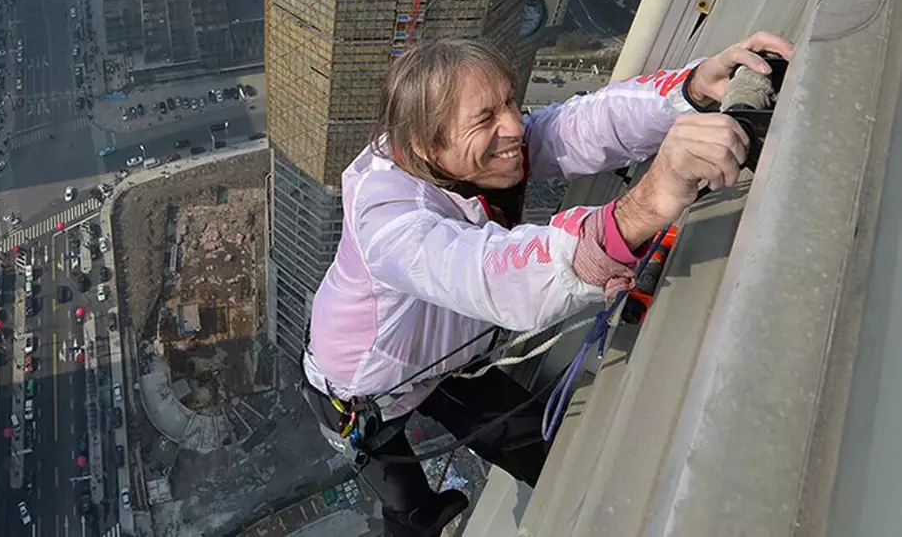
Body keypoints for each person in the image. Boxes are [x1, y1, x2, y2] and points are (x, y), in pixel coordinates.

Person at [301, 32, 794, 536]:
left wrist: (692, 88)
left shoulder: (444, 148)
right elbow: (489, 274)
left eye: (510, 101)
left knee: (544, 449)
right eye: (486, 119)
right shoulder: (389, 224)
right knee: (411, 510)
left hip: (445, 362)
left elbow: (571, 127)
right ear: (429, 146)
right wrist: (643, 206)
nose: (514, 124)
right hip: (362, 392)